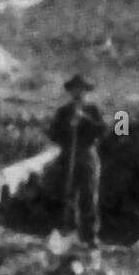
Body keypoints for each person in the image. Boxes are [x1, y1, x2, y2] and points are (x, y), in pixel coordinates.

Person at [47, 74, 107, 246]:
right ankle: (68, 231)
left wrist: (85, 119)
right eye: (75, 89)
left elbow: (102, 131)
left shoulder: (92, 110)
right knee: (68, 194)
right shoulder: (63, 111)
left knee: (88, 195)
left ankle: (90, 235)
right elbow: (53, 134)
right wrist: (67, 125)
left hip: (87, 155)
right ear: (71, 91)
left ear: (86, 91)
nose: (78, 92)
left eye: (82, 89)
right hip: (68, 156)